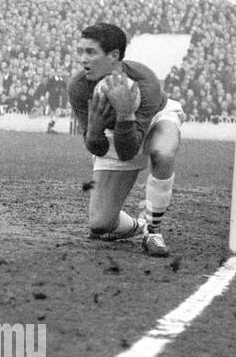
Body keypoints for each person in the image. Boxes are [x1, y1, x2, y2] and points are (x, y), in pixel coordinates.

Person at [69, 22, 183, 258]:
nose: (83, 59)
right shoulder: (79, 87)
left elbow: (130, 150)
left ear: (114, 56)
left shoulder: (145, 82)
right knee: (100, 225)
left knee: (162, 152)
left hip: (155, 120)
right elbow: (98, 148)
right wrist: (95, 129)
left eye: (90, 52)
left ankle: (153, 231)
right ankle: (140, 225)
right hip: (119, 133)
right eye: (81, 51)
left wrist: (125, 114)